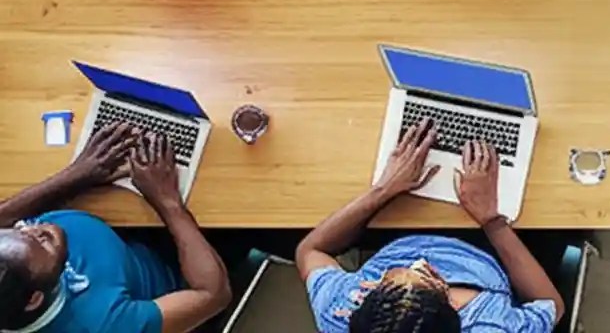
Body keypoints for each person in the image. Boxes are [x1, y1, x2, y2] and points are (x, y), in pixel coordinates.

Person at [296, 120, 565, 332]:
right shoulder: (493, 326)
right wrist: (492, 222)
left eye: (383, 281)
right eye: (428, 278)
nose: (421, 261)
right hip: (492, 249)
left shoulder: (337, 314)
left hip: (397, 224)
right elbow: (552, 307)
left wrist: (382, 190)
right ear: (455, 314)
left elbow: (310, 251)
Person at [0, 125, 231, 333]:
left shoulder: (19, 260)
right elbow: (213, 295)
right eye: (42, 241)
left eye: (18, 229)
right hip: (177, 261)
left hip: (120, 231)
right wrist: (167, 201)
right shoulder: (104, 325)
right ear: (34, 300)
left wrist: (77, 176)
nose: (31, 227)